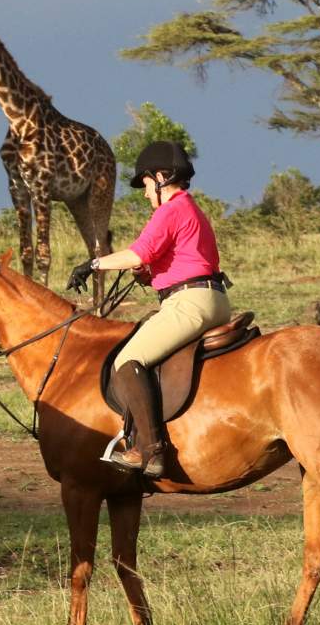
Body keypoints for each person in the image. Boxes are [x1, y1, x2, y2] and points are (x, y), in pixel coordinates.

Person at [67, 141, 230, 478]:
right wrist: (149, 274)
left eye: (144, 185)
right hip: (212, 298)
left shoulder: (170, 210)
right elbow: (173, 260)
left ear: (160, 177)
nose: (144, 194)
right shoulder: (191, 209)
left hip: (190, 302)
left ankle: (150, 450)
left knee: (128, 359)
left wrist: (92, 264)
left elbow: (137, 254)